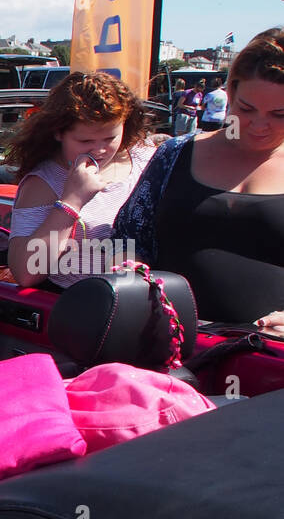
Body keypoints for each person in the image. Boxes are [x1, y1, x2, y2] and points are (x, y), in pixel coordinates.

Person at [113, 27, 284, 326]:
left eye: (279, 114)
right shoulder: (175, 153)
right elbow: (126, 237)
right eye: (246, 109)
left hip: (269, 359)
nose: (259, 125)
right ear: (230, 92)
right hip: (167, 346)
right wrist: (131, 273)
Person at [6, 71, 156, 289]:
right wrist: (71, 202)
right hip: (81, 306)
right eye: (86, 140)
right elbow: (25, 273)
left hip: (140, 301)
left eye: (110, 137)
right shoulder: (43, 182)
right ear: (58, 133)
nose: (101, 150)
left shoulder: (145, 159)